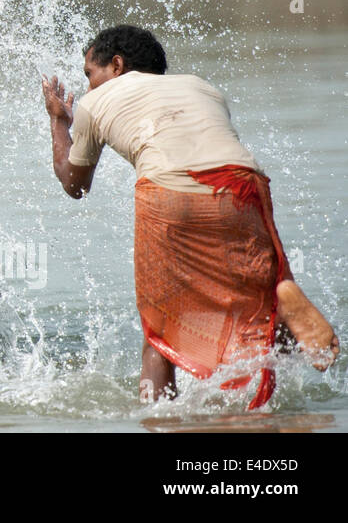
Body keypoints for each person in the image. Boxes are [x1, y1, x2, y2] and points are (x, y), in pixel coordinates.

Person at [42, 24, 338, 408]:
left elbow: (74, 184)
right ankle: (278, 333)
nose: (88, 86)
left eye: (89, 74)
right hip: (244, 185)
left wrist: (58, 120)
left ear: (116, 65)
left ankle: (160, 418)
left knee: (159, 332)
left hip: (171, 191)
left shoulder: (95, 103)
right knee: (260, 307)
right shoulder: (201, 86)